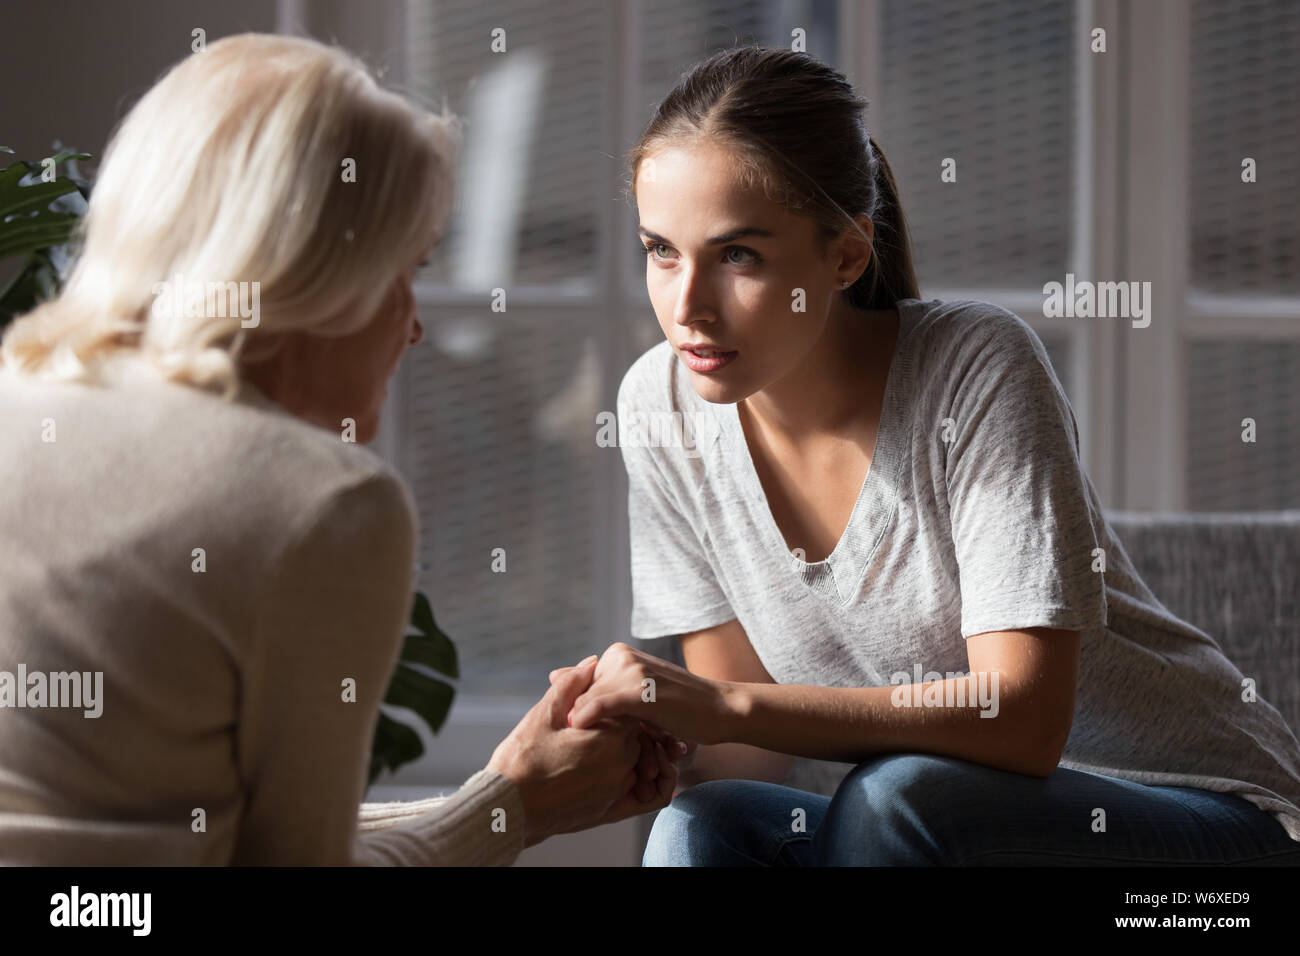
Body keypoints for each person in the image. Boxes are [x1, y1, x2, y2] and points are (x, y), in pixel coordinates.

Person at [555, 46, 1300, 865]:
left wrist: (723, 703)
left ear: (844, 254)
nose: (687, 305)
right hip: (924, 834)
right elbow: (746, 748)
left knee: (894, 797)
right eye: (661, 250)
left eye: (738, 256)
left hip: (1206, 828)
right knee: (702, 826)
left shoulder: (976, 367)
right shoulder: (659, 407)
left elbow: (1022, 722)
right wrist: (634, 742)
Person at [0, 33, 686, 866]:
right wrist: (516, 809)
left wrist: (505, 789)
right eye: (408, 269)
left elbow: (221, 834)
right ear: (315, 274)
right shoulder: (320, 501)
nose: (415, 322)